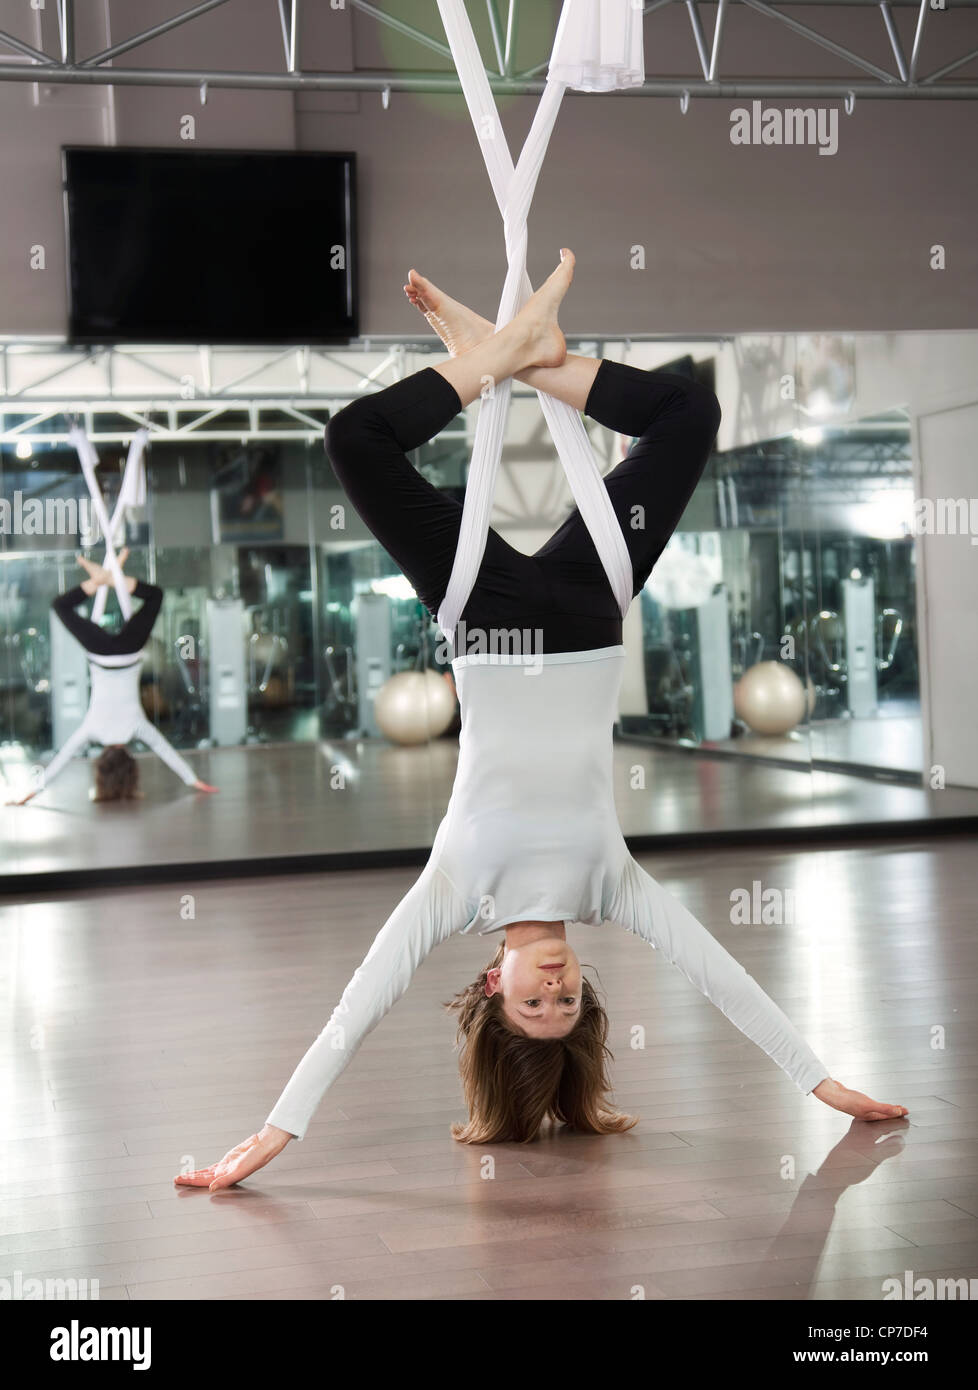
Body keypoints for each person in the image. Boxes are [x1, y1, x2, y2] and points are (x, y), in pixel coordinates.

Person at [177, 251, 906, 1192]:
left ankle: (498, 357)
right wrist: (823, 1084)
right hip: (589, 600)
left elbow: (353, 1011)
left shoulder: (456, 887)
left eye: (536, 1001)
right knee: (689, 416)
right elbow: (726, 980)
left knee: (356, 440)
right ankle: (533, 357)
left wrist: (274, 1133)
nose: (556, 985)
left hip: (484, 614)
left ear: (496, 988)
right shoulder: (612, 884)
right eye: (569, 1000)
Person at [7, 550, 217, 804]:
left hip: (129, 651)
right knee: (61, 606)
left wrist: (192, 779)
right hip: (101, 654)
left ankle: (109, 579)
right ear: (102, 764)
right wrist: (29, 793)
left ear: (129, 762)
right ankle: (102, 580)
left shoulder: (137, 727)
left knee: (154, 597)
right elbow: (61, 759)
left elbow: (166, 751)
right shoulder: (92, 729)